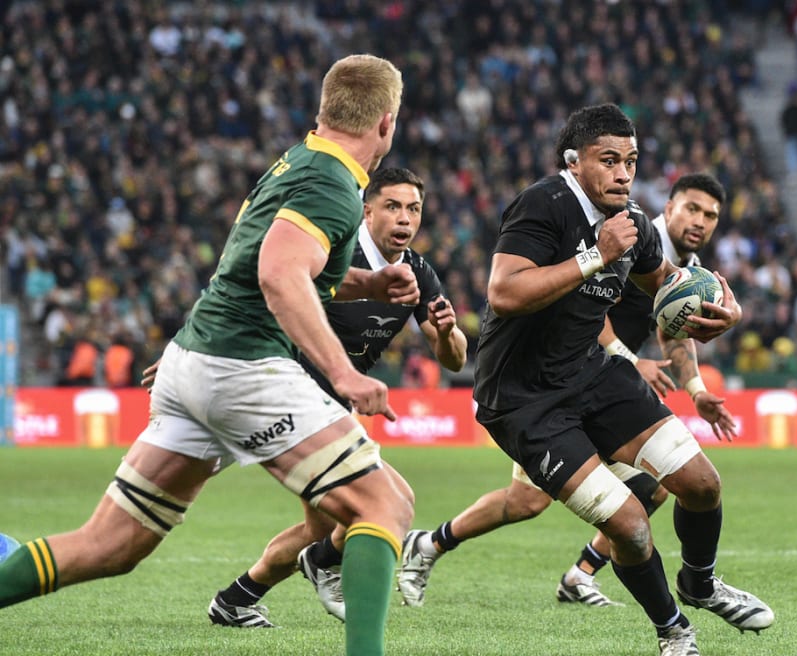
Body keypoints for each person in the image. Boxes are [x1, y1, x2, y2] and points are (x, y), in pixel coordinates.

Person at [0, 54, 415, 656]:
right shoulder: (332, 185)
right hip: (243, 366)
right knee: (385, 503)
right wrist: (343, 371)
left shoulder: (301, 161)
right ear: (386, 122)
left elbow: (275, 262)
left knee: (110, 545)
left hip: (194, 359)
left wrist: (368, 284)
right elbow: (278, 274)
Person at [465, 104, 771, 656]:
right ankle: (674, 632)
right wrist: (594, 256)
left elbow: (668, 285)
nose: (624, 173)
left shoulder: (633, 220)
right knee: (629, 525)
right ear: (574, 161)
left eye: (630, 161)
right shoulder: (543, 204)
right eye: (609, 161)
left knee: (702, 485)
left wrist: (721, 311)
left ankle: (699, 583)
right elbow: (504, 293)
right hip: (523, 400)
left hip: (591, 374)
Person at [397, 173, 738, 611]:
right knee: (535, 500)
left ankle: (575, 573)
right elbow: (588, 311)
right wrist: (631, 361)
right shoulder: (627, 234)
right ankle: (433, 544)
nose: (701, 221)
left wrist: (695, 389)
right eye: (692, 208)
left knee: (575, 497)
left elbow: (673, 331)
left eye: (710, 215)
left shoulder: (681, 269)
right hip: (550, 385)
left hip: (592, 385)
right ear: (668, 208)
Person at [203, 166, 468, 628]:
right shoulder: (330, 254)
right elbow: (258, 292)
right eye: (392, 207)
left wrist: (446, 333)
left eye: (414, 209)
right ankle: (322, 564)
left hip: (331, 408)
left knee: (325, 526)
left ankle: (238, 598)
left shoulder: (418, 272)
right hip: (289, 395)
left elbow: (455, 361)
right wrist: (199, 344)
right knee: (388, 503)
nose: (405, 218)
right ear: (367, 211)